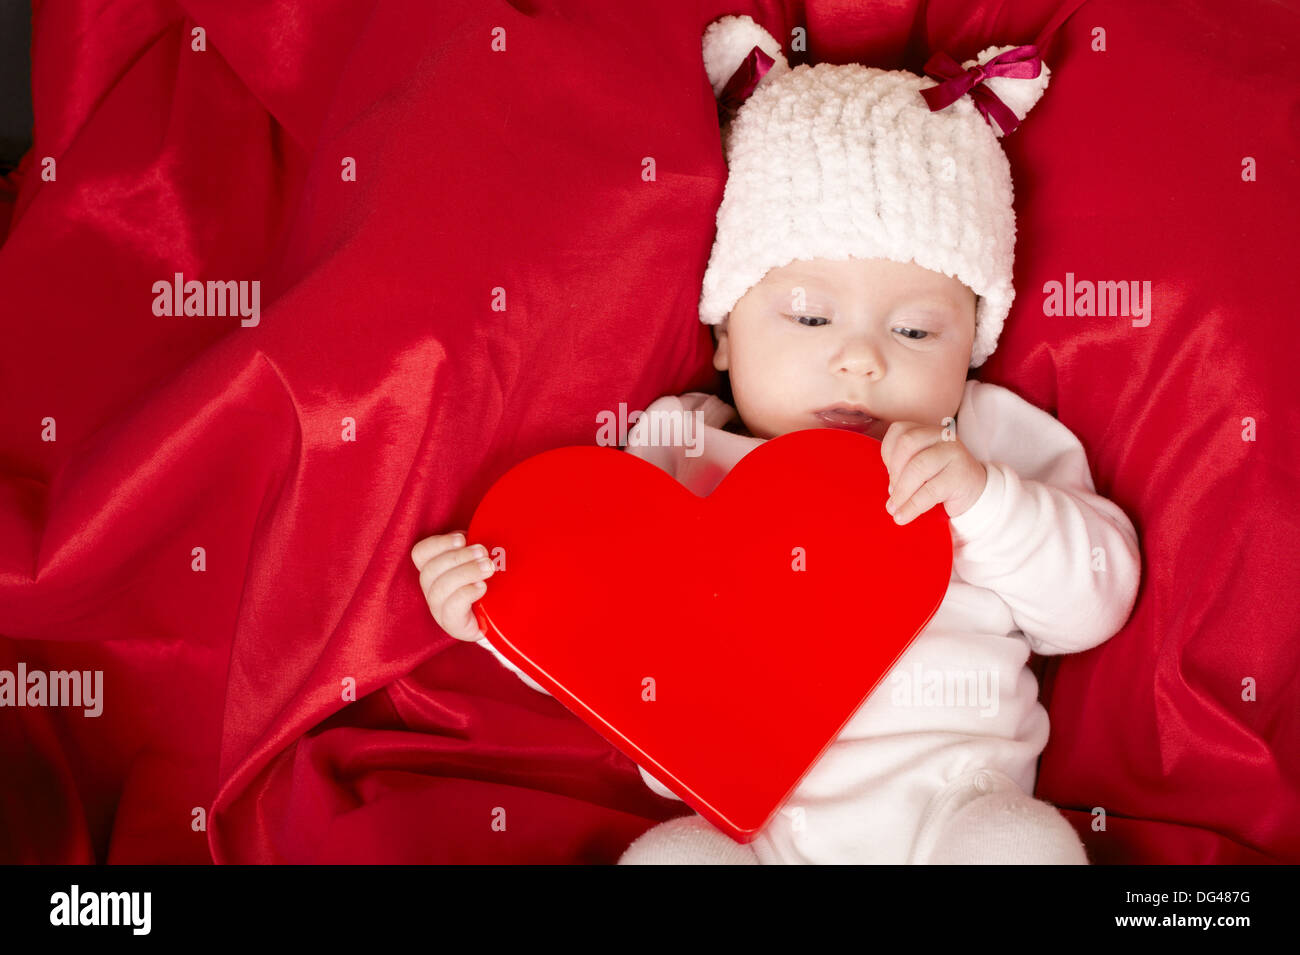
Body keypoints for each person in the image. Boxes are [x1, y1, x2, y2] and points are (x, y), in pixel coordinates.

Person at [411, 14, 1141, 864]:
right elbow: (607, 638)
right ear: (725, 334)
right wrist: (495, 612)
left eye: (915, 333)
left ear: (972, 348)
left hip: (955, 808)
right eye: (808, 316)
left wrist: (987, 501)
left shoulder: (984, 440)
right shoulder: (683, 451)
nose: (861, 360)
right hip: (753, 826)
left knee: (1024, 848)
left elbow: (1094, 604)